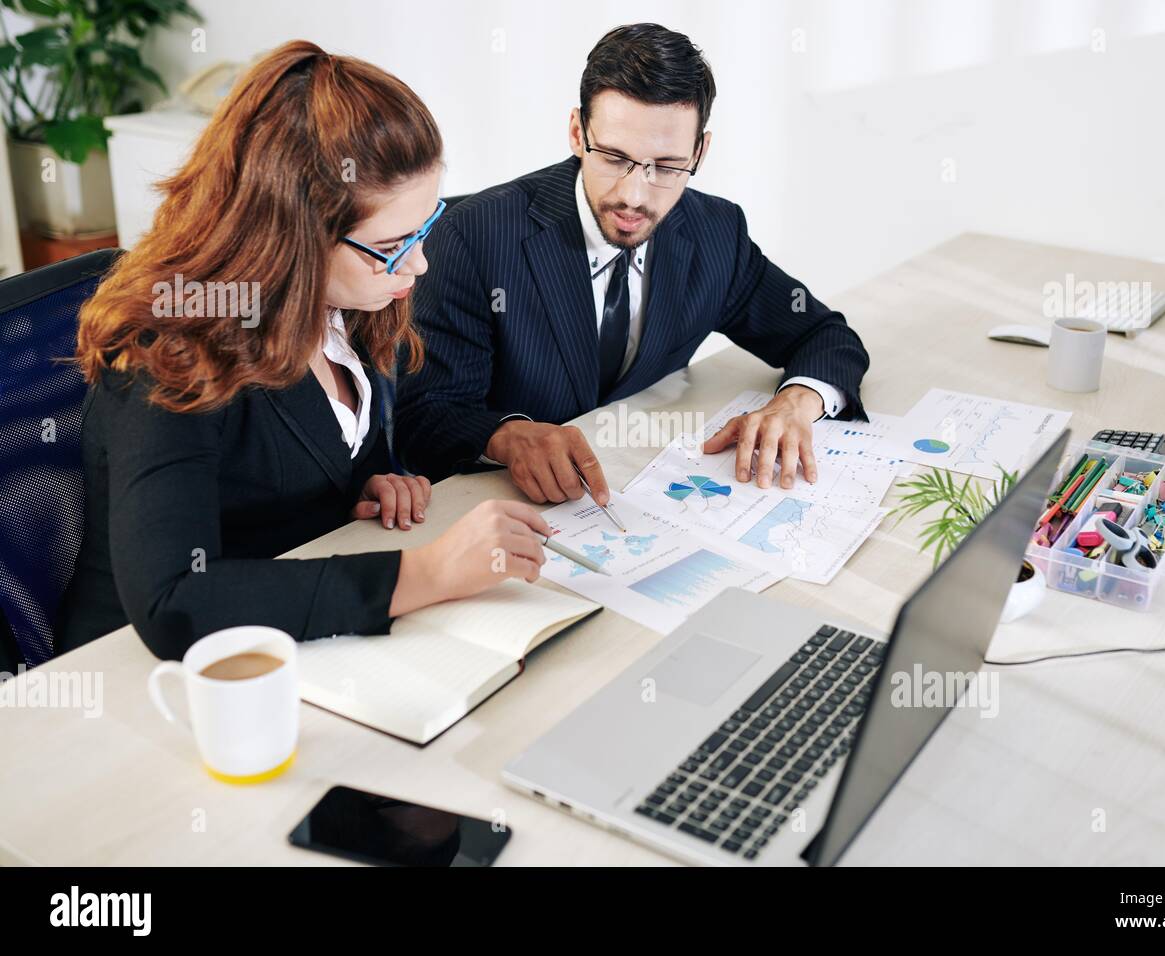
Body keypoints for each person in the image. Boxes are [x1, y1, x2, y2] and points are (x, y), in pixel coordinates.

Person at [56, 41, 551, 661]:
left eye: (426, 228)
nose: (419, 264)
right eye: (396, 243)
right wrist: (428, 573)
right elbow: (174, 599)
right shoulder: (168, 348)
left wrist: (365, 481)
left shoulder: (344, 302)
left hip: (303, 632)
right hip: (145, 679)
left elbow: (302, 455)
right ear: (295, 233)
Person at [396, 22, 870, 507]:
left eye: (666, 166)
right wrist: (509, 436)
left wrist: (796, 403)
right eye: (613, 156)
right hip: (506, 509)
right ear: (578, 133)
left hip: (645, 490)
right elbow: (428, 416)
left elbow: (825, 336)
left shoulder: (715, 233)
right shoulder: (474, 236)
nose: (634, 196)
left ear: (700, 152)